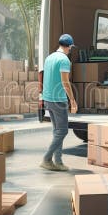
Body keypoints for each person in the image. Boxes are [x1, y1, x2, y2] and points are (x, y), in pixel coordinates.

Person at [40, 34, 78, 171]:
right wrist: (72, 101)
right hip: (58, 100)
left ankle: (58, 162)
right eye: (71, 48)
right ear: (68, 46)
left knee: (57, 131)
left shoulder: (49, 58)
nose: (70, 50)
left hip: (48, 99)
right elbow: (65, 82)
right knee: (62, 131)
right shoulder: (64, 60)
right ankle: (46, 159)